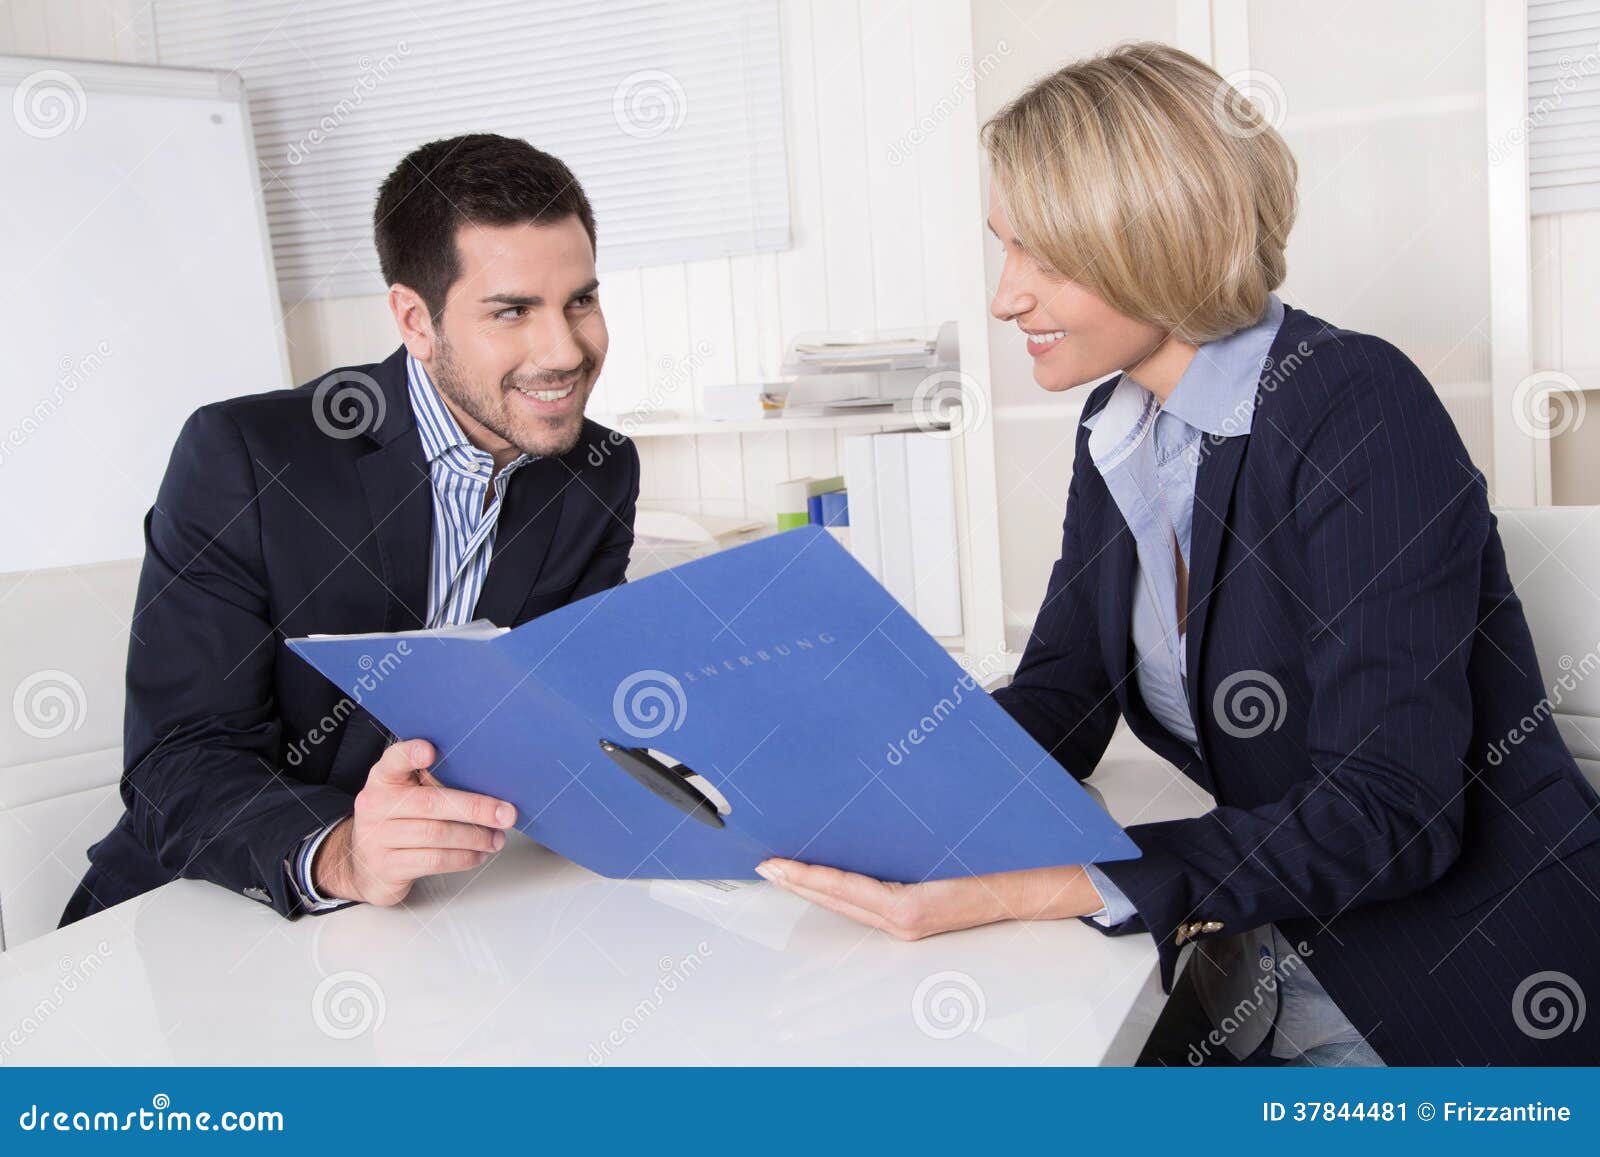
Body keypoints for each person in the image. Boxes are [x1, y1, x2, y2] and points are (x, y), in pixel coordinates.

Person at [756, 43, 1600, 1066]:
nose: (1004, 297)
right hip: (1268, 960)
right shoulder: (1124, 422)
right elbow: (1067, 689)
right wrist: (893, 783)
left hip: (1461, 999)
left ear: (1153, 242)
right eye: (1003, 248)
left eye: (1044, 257)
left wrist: (1025, 886)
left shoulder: (1353, 405)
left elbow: (1392, 809)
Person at [62, 133, 638, 924]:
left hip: (450, 912)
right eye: (513, 310)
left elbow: (567, 714)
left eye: (580, 300)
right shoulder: (246, 458)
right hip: (205, 910)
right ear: (415, 318)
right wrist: (344, 854)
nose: (566, 348)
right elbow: (178, 759)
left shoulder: (598, 469)